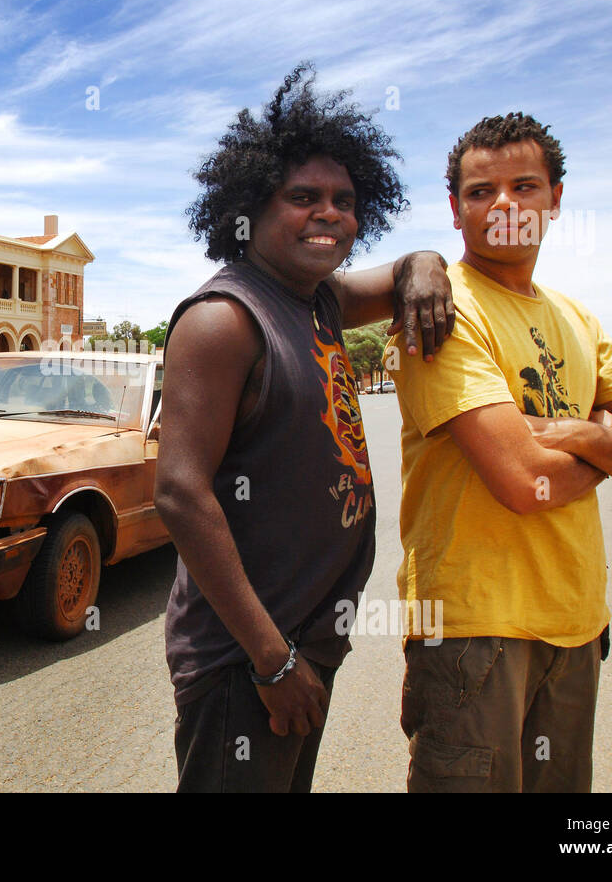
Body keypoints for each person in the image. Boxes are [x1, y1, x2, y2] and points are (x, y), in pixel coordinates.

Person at [154, 62, 455, 793]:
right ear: (250, 207)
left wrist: (426, 265)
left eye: (345, 201)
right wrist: (271, 658)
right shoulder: (225, 319)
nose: (329, 214)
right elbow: (181, 494)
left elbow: (404, 269)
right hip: (247, 662)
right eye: (303, 197)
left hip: (302, 647)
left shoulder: (316, 298)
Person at [389, 112, 612, 792]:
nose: (503, 205)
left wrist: (578, 434)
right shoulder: (441, 312)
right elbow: (525, 480)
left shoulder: (579, 319)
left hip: (578, 624)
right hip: (473, 631)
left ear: (555, 198)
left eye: (524, 186)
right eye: (479, 191)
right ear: (455, 210)